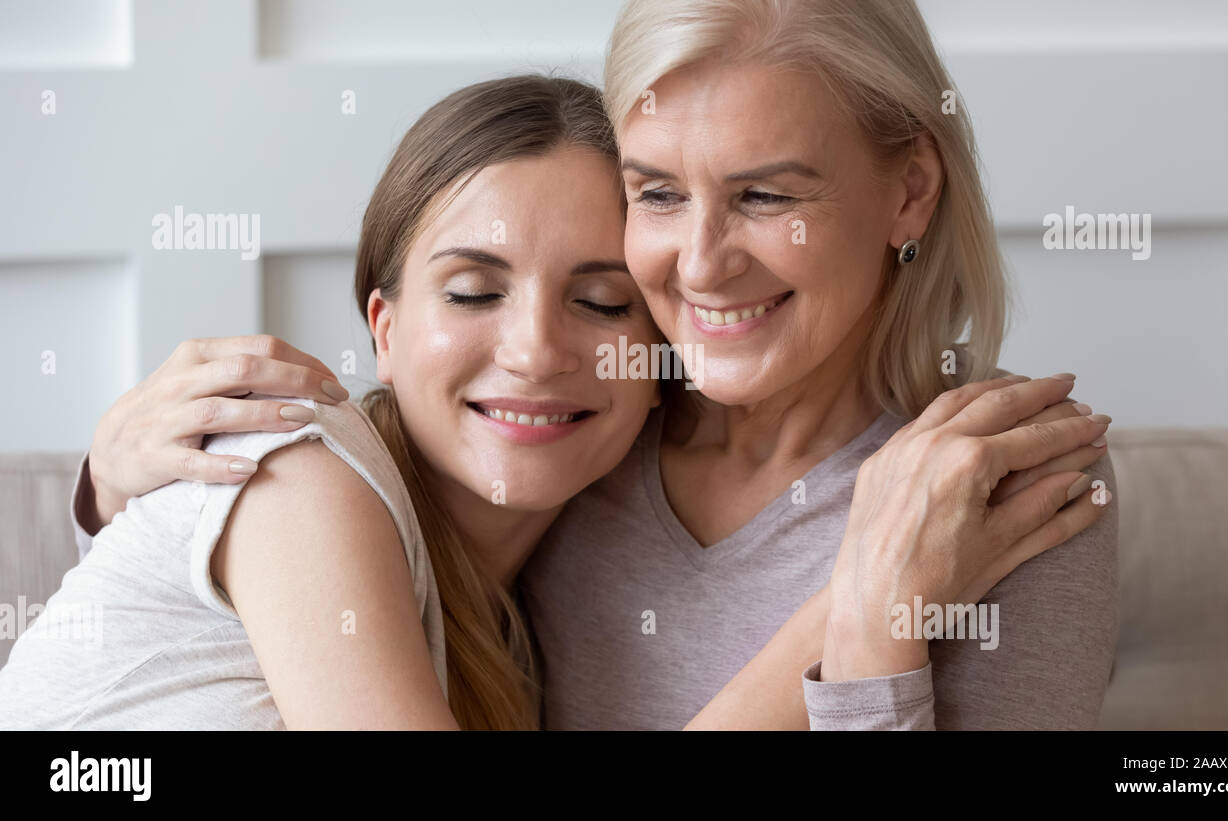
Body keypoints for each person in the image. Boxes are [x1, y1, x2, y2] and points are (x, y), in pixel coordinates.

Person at [60, 0, 1118, 730]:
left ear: (908, 189)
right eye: (657, 193)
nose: (700, 263)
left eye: (766, 194)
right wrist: (854, 613)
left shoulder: (991, 494)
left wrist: (878, 640)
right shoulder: (583, 443)